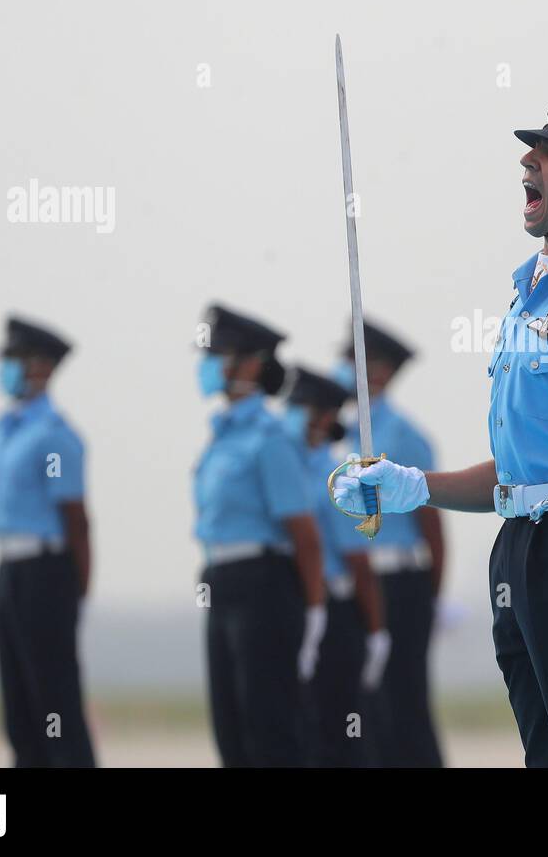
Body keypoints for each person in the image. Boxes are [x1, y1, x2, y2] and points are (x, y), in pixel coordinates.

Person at [333, 87, 548, 766]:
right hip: (518, 550)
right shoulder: (525, 300)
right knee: (546, 756)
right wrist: (413, 486)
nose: (530, 164)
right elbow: (520, 476)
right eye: (533, 151)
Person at [193, 304, 326, 766]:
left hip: (264, 585)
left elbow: (304, 535)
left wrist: (314, 613)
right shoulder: (223, 434)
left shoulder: (269, 437)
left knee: (269, 728)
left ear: (250, 363)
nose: (208, 365)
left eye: (220, 354)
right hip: (220, 578)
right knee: (230, 728)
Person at [334, 321, 445, 767]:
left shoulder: (404, 436)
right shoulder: (336, 430)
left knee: (403, 700)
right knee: (361, 708)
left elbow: (431, 525)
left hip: (399, 580)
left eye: (351, 362)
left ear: (378, 373)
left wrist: (431, 598)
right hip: (353, 581)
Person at [0, 316, 96, 767]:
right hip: (10, 570)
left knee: (55, 703)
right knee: (20, 710)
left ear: (41, 367)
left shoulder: (54, 435)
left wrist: (76, 591)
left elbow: (76, 521)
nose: (8, 369)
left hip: (46, 572)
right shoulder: (6, 429)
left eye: (16, 360)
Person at [283, 366, 389, 767]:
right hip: (296, 606)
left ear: (325, 418)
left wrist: (377, 631)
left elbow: (359, 565)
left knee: (342, 729)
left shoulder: (336, 479)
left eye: (305, 408)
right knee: (305, 729)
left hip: (337, 613)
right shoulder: (285, 466)